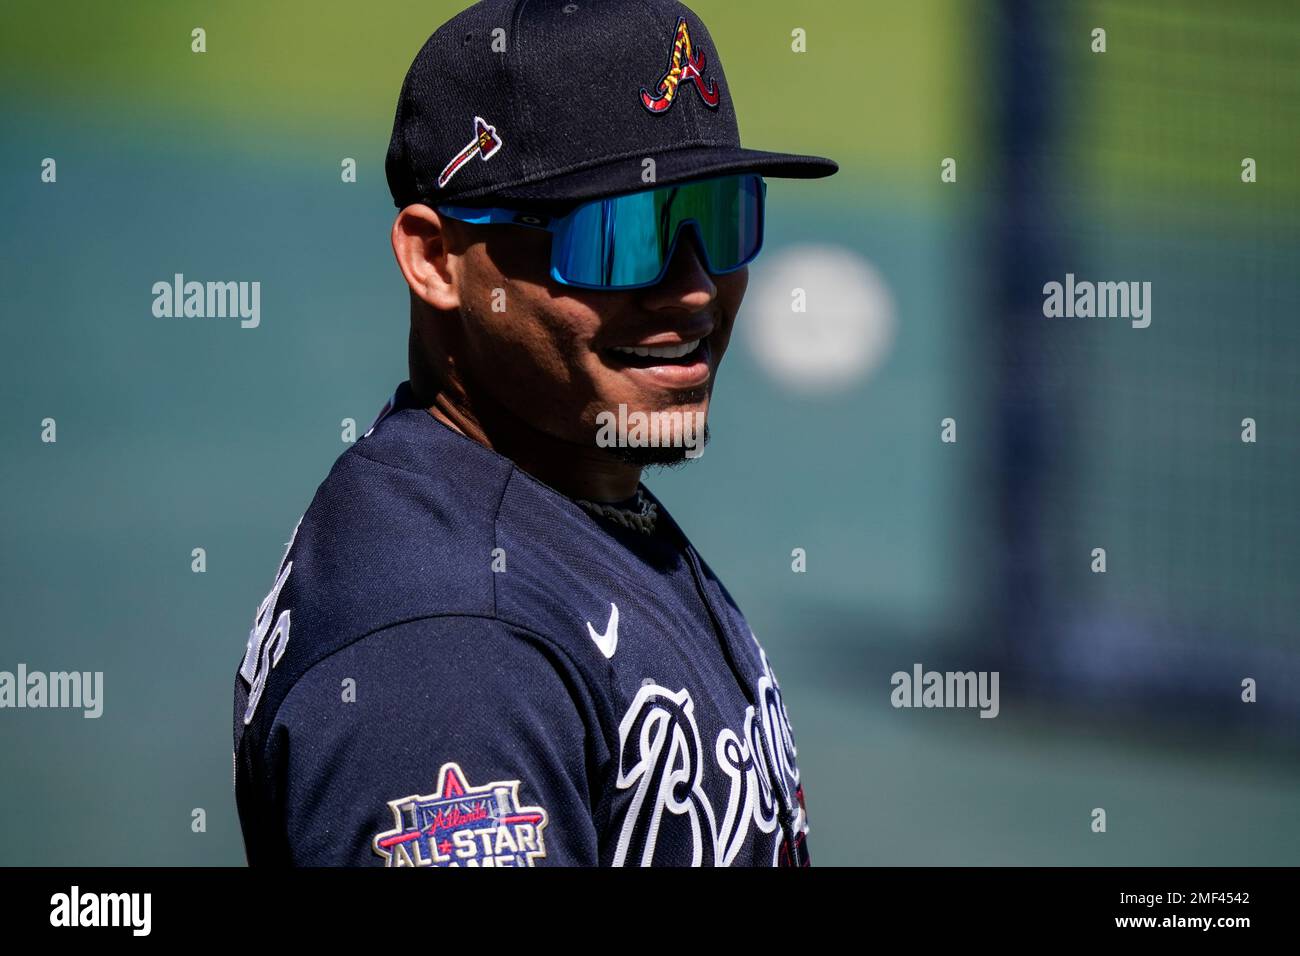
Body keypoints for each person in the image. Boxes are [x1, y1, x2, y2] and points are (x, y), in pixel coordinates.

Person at [233, 0, 837, 866]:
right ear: (438, 260)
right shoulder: (450, 652)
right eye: (624, 234)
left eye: (720, 215)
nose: (695, 288)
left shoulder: (557, 494)